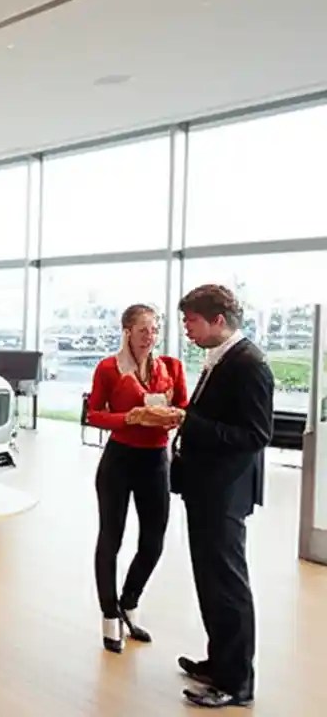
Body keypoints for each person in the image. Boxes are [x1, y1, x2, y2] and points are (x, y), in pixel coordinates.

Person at [165, 284, 272, 708]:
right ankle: (220, 661)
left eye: (190, 321)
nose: (186, 330)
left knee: (227, 584)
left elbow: (255, 435)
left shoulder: (249, 365)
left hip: (224, 493)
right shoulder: (225, 358)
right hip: (207, 488)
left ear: (218, 320)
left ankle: (237, 682)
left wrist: (189, 423)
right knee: (210, 580)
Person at [85, 304, 188, 654]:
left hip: (156, 461)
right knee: (111, 538)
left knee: (154, 540)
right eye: (143, 329)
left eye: (155, 329)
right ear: (127, 331)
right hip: (119, 460)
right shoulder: (109, 369)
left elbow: (186, 409)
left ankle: (130, 601)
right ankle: (109, 614)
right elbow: (94, 415)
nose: (150, 336)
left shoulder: (171, 367)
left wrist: (172, 417)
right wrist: (130, 418)